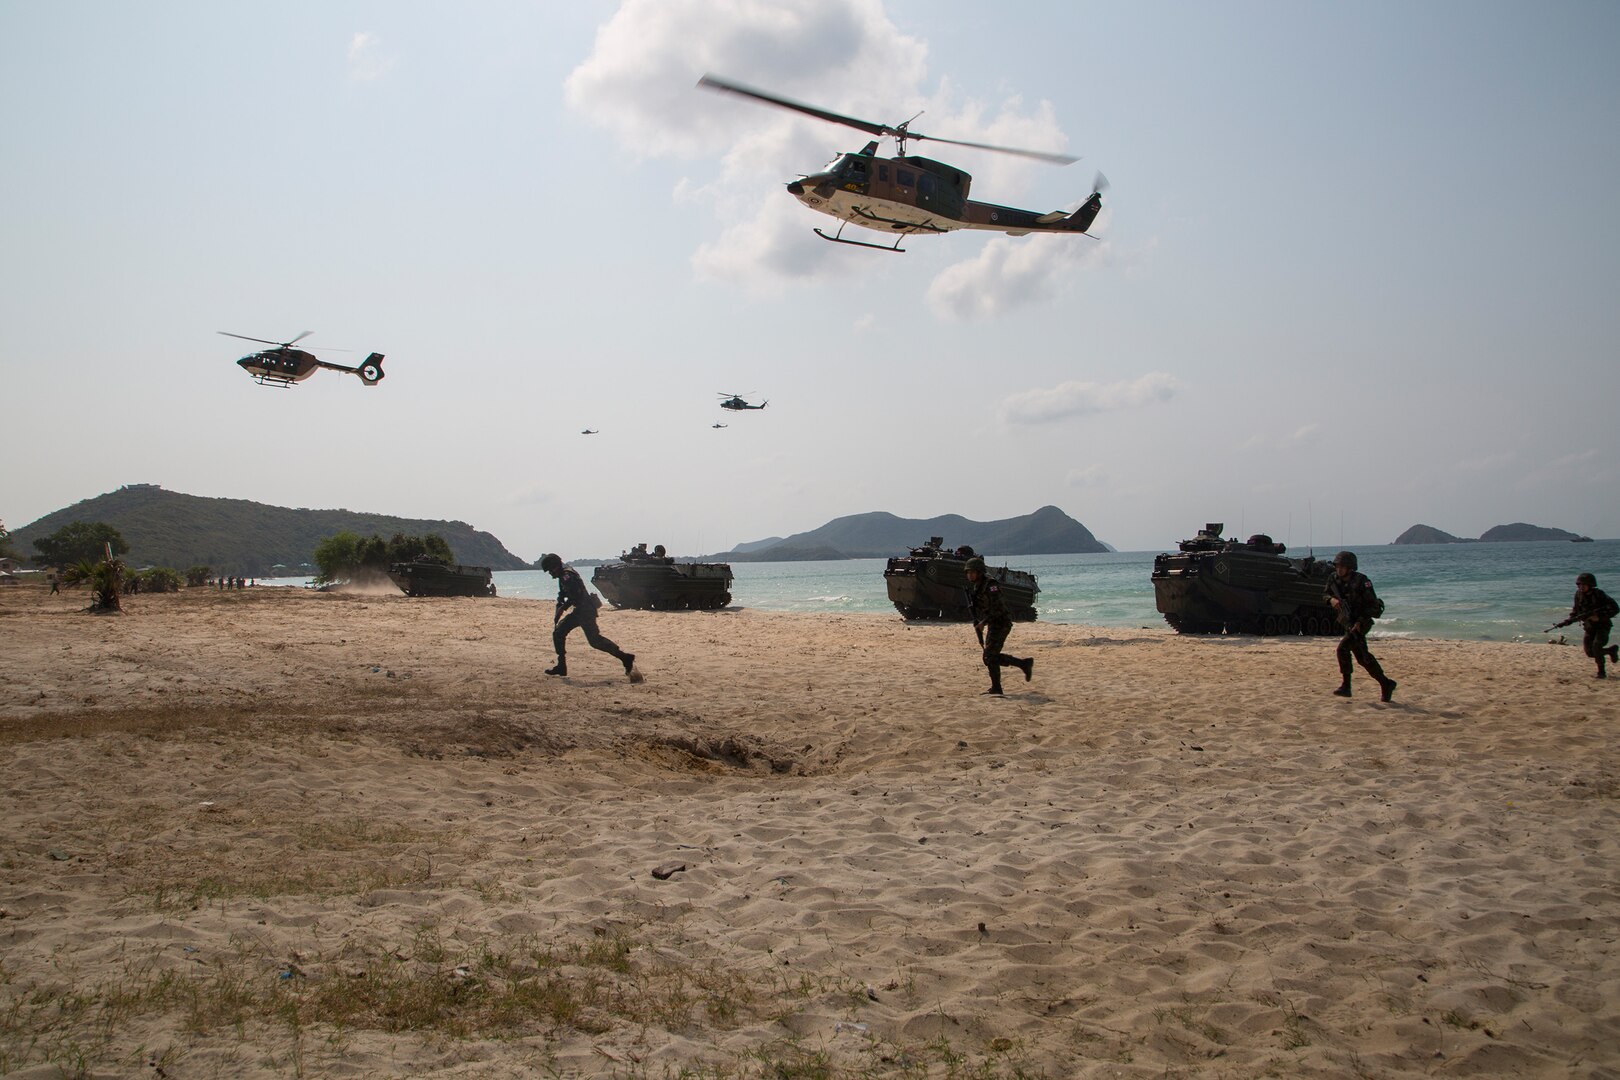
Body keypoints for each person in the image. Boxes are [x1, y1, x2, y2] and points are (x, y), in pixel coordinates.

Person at [539, 553, 640, 682]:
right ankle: (562, 665)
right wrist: (560, 602)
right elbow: (563, 592)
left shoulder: (567, 576)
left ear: (555, 566)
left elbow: (575, 596)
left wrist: (562, 608)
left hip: (584, 611)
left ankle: (625, 658)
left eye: (550, 570)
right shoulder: (563, 575)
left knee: (588, 639)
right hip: (583, 610)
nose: (550, 573)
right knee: (570, 635)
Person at [1324, 550, 1397, 701]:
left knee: (1342, 649)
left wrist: (1360, 621)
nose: (1339, 569)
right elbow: (1324, 594)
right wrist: (1331, 600)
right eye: (1337, 566)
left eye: (1343, 566)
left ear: (1350, 567)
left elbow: (1374, 606)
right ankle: (1386, 683)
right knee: (1363, 658)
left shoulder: (1362, 581)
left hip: (1361, 622)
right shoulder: (1333, 578)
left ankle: (1346, 686)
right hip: (1347, 621)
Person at [964, 557, 1033, 695]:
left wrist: (984, 622)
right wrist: (979, 619)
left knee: (990, 656)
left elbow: (998, 609)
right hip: (993, 623)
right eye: (968, 572)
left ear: (979, 572)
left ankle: (998, 687)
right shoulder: (978, 586)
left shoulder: (990, 585)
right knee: (989, 657)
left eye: (972, 572)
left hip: (1001, 622)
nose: (969, 575)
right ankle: (1023, 664)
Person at [1551, 572, 1619, 678]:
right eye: (1579, 585)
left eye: (1583, 585)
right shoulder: (1578, 595)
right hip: (1589, 627)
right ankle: (1611, 650)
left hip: (1602, 626)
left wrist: (1599, 617)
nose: (1581, 587)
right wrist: (1568, 620)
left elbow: (1615, 608)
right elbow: (1576, 611)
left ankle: (1601, 672)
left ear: (1590, 584)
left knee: (1597, 647)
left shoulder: (1599, 594)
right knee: (1590, 652)